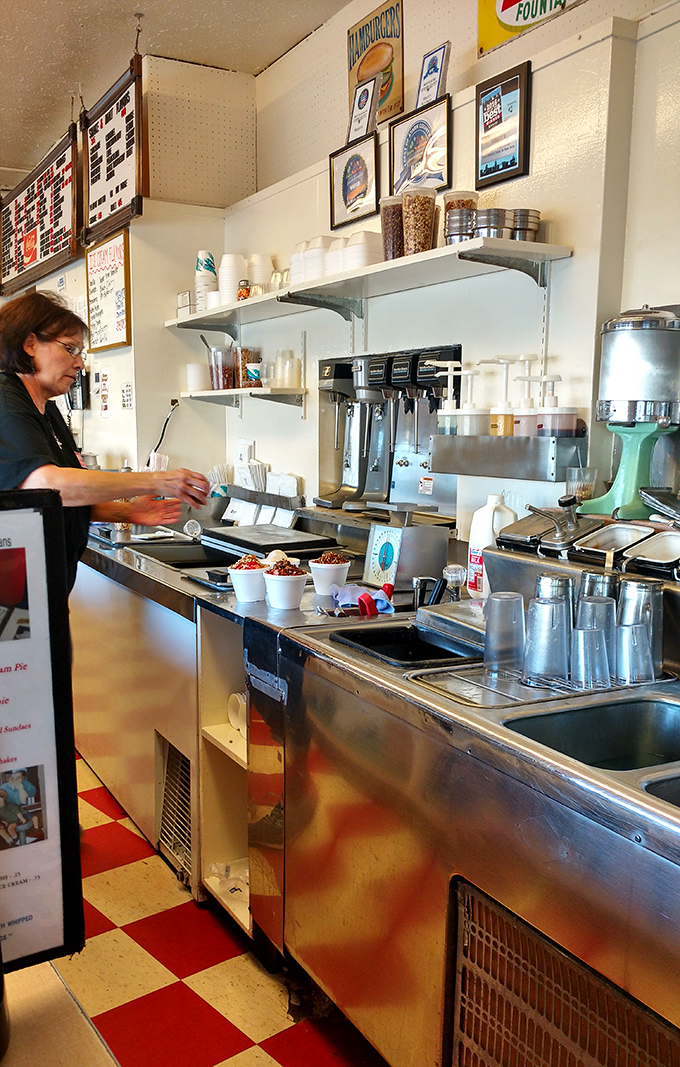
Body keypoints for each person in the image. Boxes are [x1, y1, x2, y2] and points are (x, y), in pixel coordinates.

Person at [0, 292, 209, 590]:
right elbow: (48, 486)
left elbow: (65, 500)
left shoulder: (46, 409)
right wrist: (157, 481)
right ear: (30, 343)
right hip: (14, 594)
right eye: (70, 349)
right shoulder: (7, 401)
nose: (80, 364)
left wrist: (127, 512)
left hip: (42, 587)